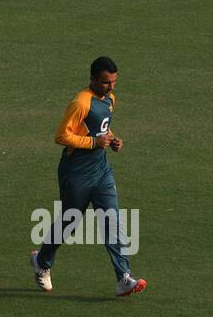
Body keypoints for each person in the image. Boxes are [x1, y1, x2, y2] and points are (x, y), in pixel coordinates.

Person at [30, 56, 146, 297]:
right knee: (70, 222)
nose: (111, 86)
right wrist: (94, 142)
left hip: (101, 171)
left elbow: (101, 127)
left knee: (112, 220)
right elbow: (61, 136)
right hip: (76, 173)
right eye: (105, 82)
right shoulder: (80, 103)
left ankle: (123, 277)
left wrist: (112, 139)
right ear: (92, 79)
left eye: (113, 81)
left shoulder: (110, 98)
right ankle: (42, 262)